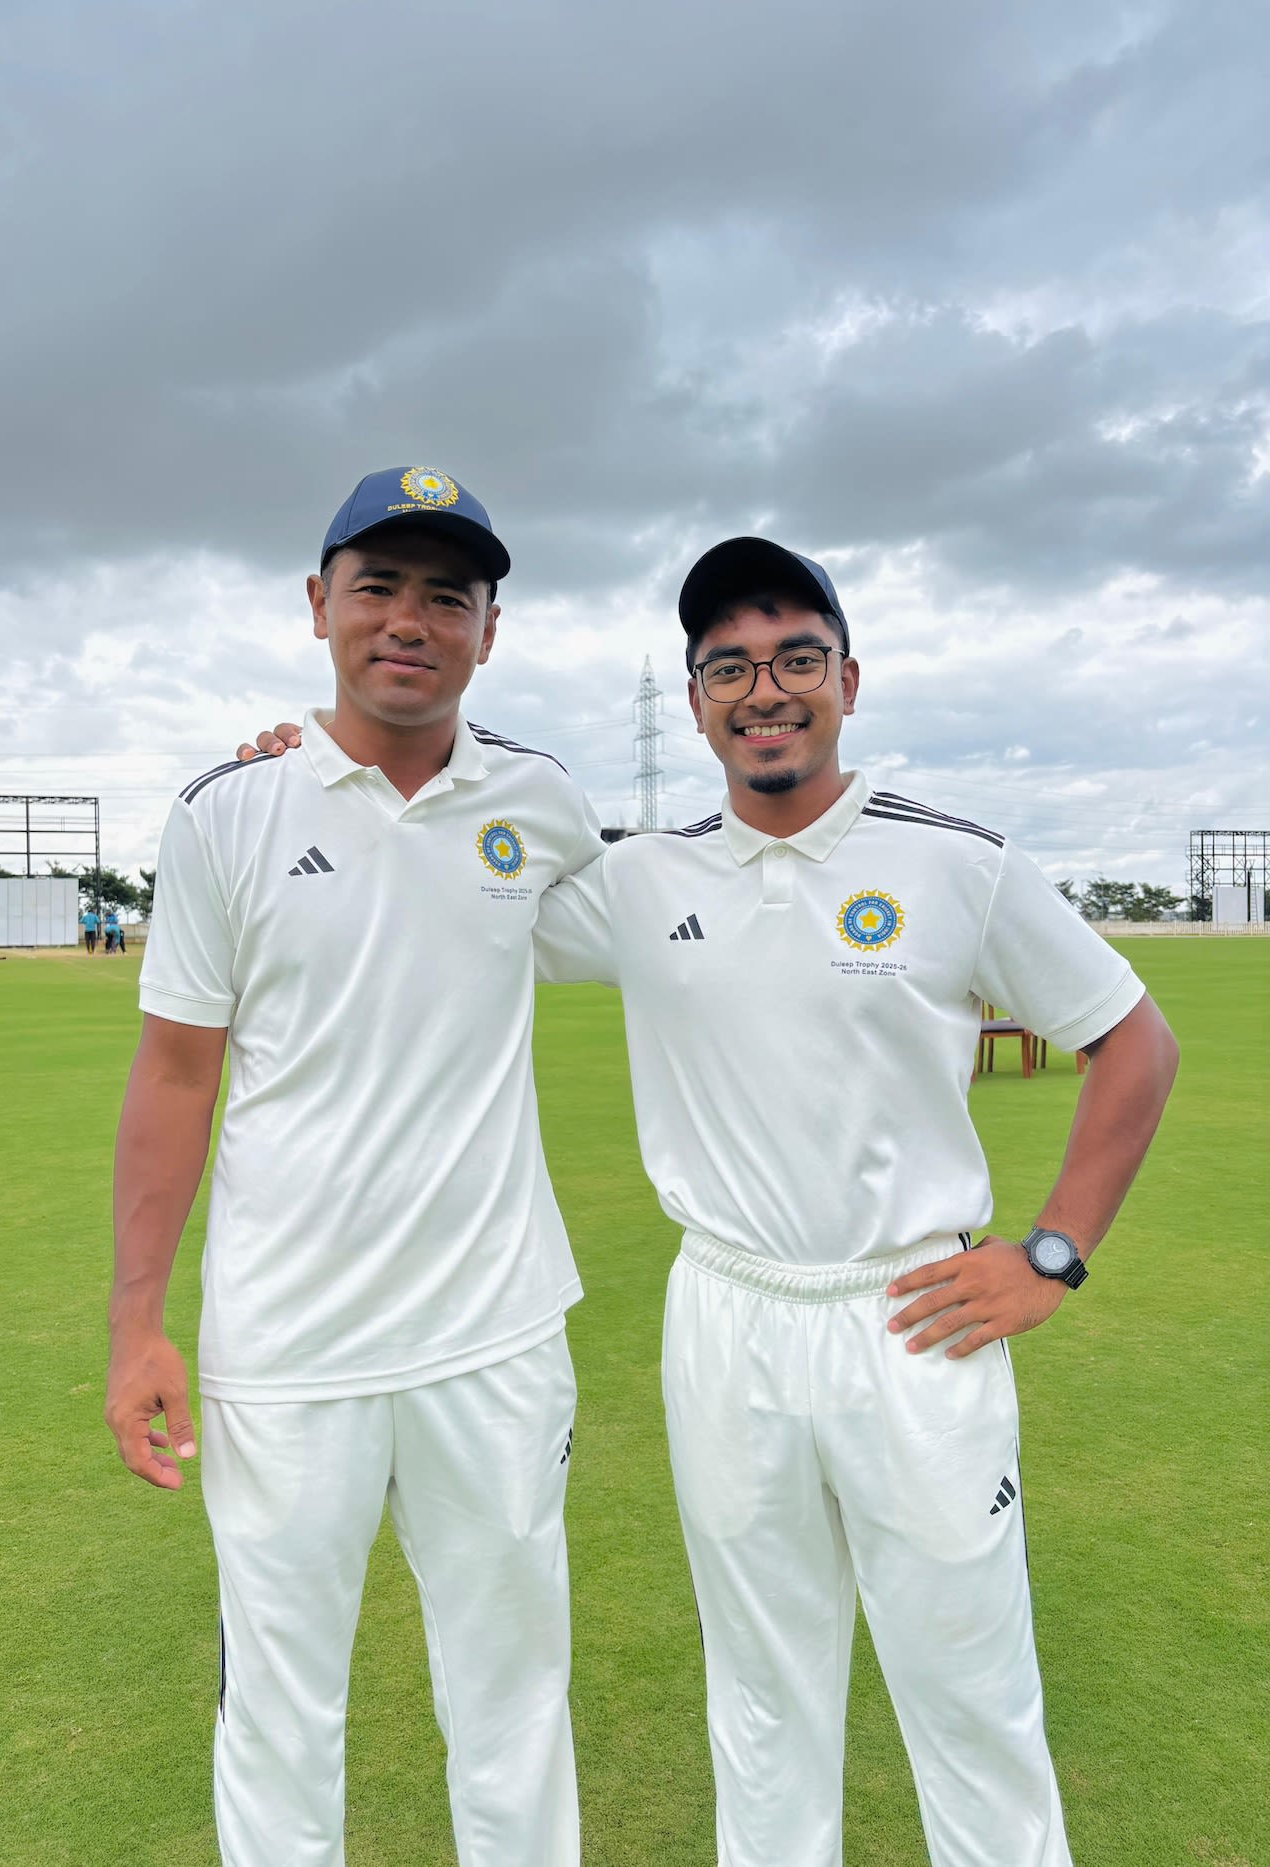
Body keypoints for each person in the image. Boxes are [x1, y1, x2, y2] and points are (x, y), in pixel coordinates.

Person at [525, 537, 1180, 1866]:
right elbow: (454, 873)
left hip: (913, 1315)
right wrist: (310, 765)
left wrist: (1053, 1255)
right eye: (730, 668)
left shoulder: (956, 863)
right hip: (726, 1310)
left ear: (848, 680)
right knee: (763, 1705)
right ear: (698, 699)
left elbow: (1134, 1038)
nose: (765, 691)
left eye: (795, 660)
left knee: (972, 1693)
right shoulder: (641, 881)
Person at [107, 467, 603, 1867]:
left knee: (512, 1703)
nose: (410, 621)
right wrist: (137, 1323)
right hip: (287, 1346)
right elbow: (173, 1075)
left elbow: (680, 928)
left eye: (449, 596)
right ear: (319, 603)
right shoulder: (228, 812)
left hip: (491, 1336)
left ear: (489, 632)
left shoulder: (541, 799)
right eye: (378, 586)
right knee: (278, 1712)